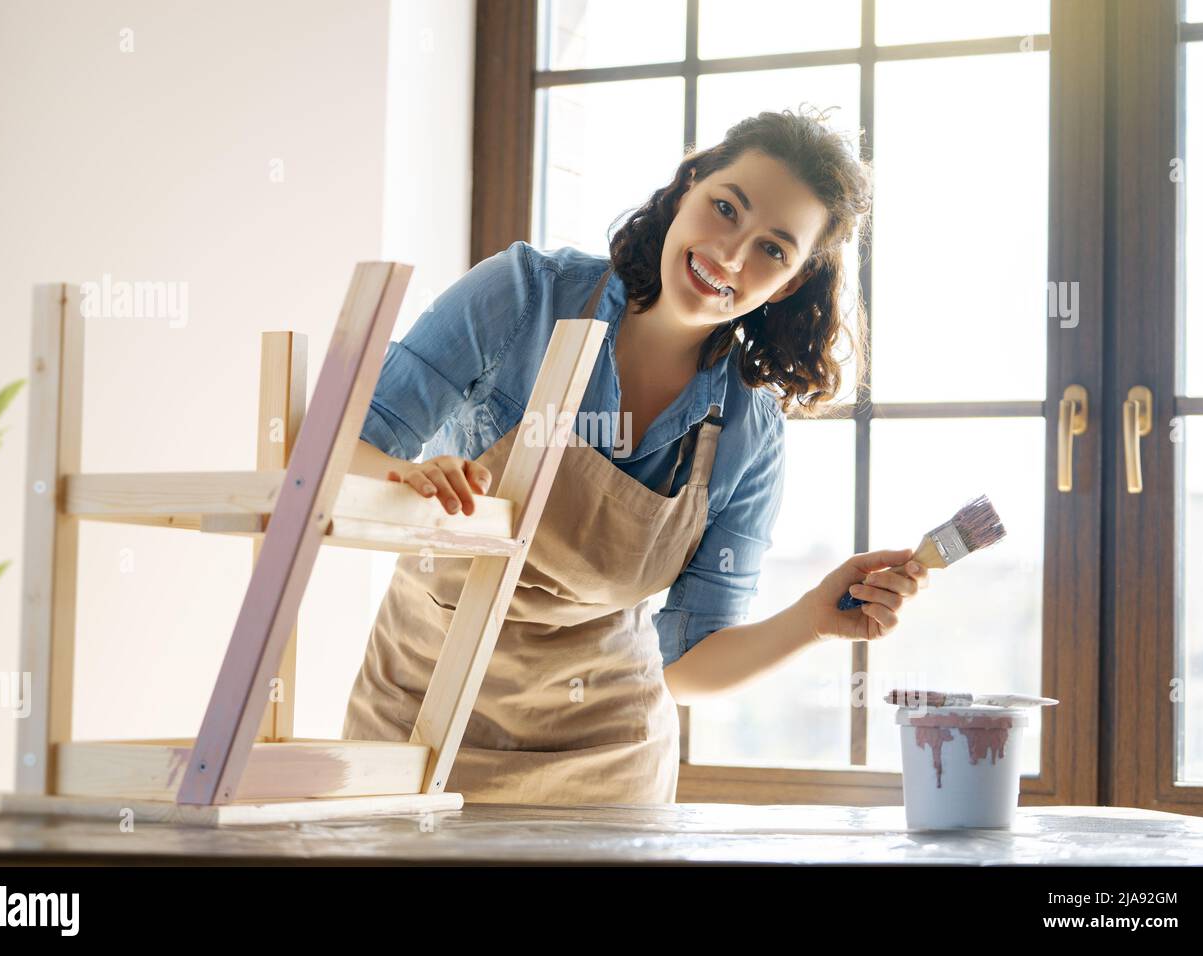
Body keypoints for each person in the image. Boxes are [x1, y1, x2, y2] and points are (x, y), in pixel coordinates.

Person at [342, 107, 928, 805]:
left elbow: (684, 669)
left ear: (793, 282)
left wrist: (812, 617)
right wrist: (405, 479)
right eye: (724, 208)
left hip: (605, 764)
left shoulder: (748, 425)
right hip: (414, 729)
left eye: (773, 249)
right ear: (687, 186)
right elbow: (345, 446)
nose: (731, 256)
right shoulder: (522, 296)